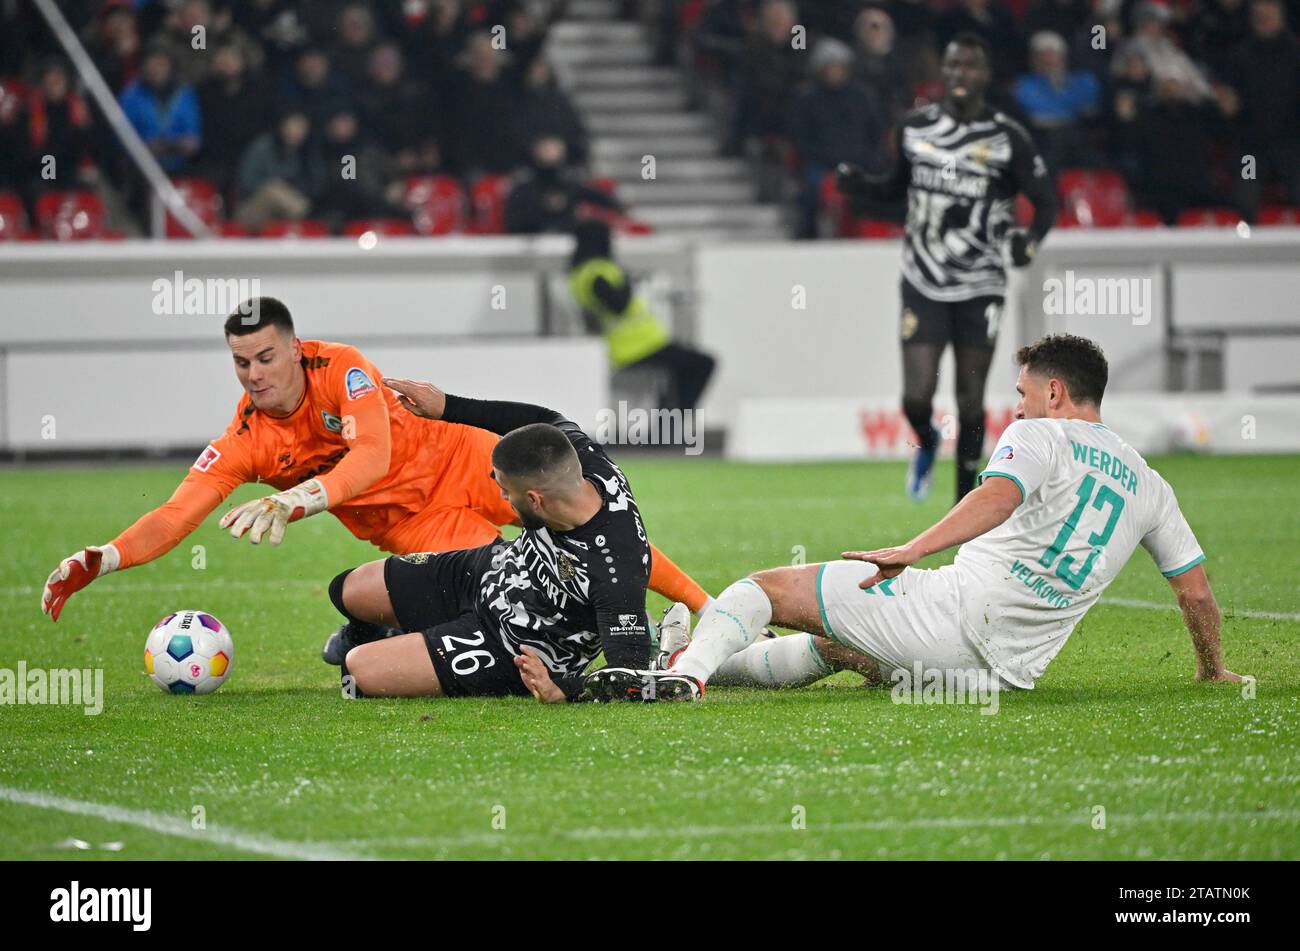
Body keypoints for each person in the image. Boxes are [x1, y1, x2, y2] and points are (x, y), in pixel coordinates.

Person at [599, 335, 1245, 701]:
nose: (1016, 408)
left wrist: (915, 547)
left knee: (768, 588)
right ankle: (683, 655)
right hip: (996, 678)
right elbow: (1195, 591)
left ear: (1054, 393)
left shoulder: (1044, 435)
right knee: (839, 645)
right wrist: (1212, 668)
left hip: (948, 615)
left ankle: (685, 674)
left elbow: (998, 495)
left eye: (1021, 393)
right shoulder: (1151, 485)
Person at [40, 298, 712, 624]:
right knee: (514, 596)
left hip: (462, 458)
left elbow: (371, 455)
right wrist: (109, 555)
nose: (254, 374)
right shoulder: (246, 438)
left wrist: (295, 499)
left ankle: (706, 608)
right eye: (241, 362)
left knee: (584, 523)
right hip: (414, 529)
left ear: (294, 347)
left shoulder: (343, 368)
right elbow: (176, 514)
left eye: (266, 356)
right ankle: (375, 634)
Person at [328, 380, 694, 703]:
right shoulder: (585, 460)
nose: (502, 498)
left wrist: (563, 689)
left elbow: (630, 677)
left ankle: (416, 639)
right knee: (346, 589)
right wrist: (447, 407)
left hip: (509, 646)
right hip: (488, 571)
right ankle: (404, 632)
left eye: (506, 491)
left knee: (357, 672)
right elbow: (543, 417)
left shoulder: (614, 570)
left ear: (535, 500)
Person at [836, 33, 1057, 505]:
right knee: (916, 396)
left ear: (985, 74)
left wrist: (1029, 243)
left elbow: (1046, 202)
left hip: (981, 284)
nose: (960, 75)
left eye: (970, 66)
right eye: (953, 65)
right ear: (943, 71)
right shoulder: (914, 129)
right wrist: (859, 185)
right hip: (923, 280)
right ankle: (928, 440)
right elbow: (895, 187)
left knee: (970, 400)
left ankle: (964, 502)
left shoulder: (1005, 137)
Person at [568, 219, 716, 413]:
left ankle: (668, 426)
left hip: (635, 343)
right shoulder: (598, 272)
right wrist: (626, 279)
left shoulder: (580, 273)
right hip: (633, 346)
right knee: (702, 364)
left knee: (686, 368)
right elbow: (618, 306)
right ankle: (669, 426)